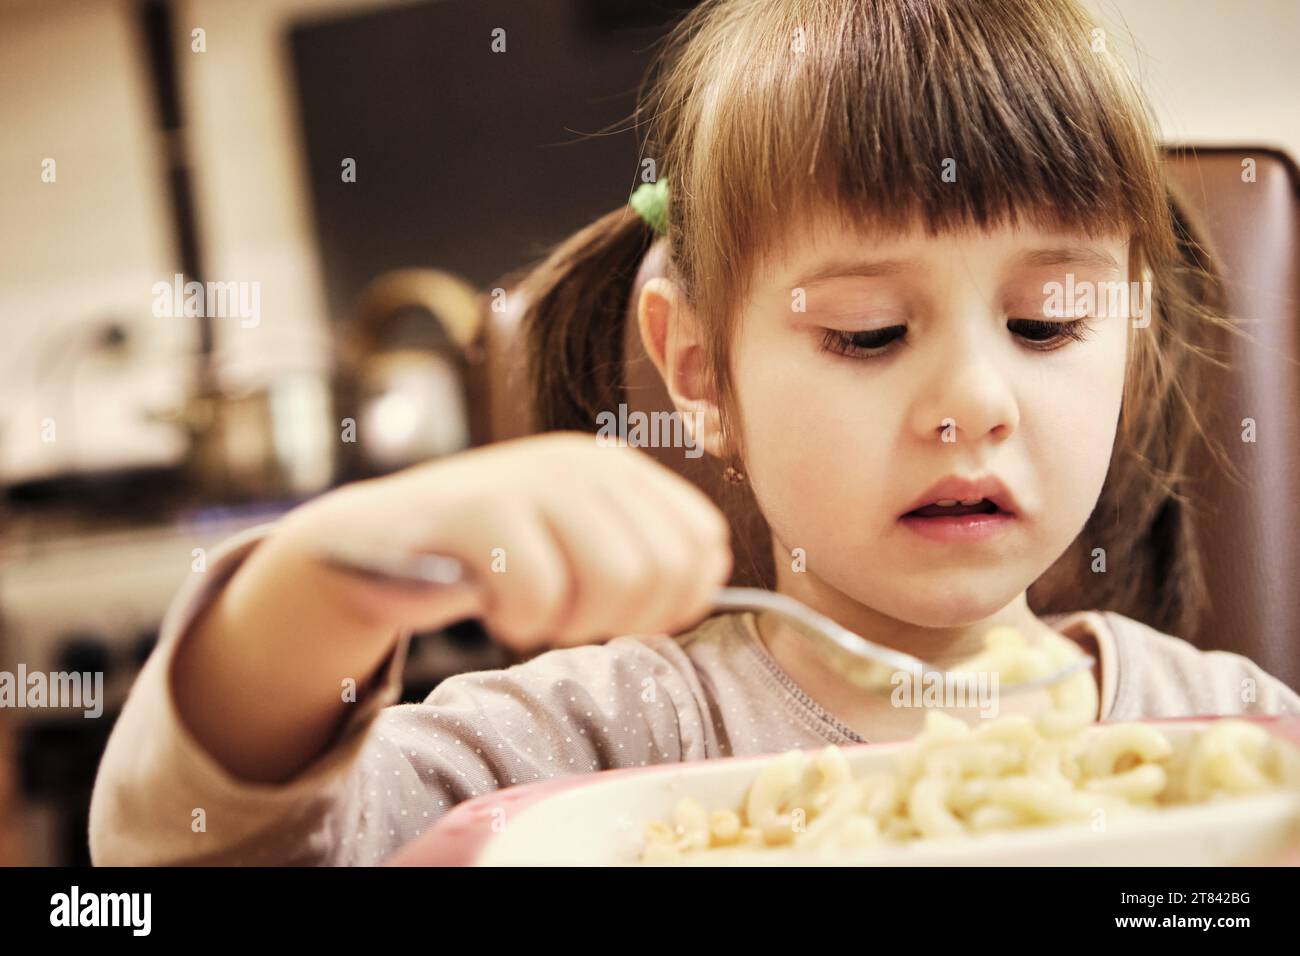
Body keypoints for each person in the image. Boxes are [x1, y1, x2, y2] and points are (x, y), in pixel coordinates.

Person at [90, 0, 1300, 866]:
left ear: (1132, 340)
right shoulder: (588, 745)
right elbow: (182, 853)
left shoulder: (1236, 730)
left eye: (1046, 322)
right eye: (868, 331)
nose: (973, 400)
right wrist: (322, 581)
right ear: (696, 367)